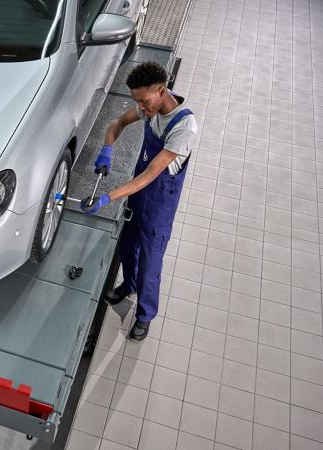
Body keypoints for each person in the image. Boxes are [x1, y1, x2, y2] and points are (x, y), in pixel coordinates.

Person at [80, 61, 198, 341]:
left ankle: (145, 315)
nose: (141, 108)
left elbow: (150, 175)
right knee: (128, 243)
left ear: (160, 90)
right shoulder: (150, 107)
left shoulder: (185, 127)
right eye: (138, 103)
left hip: (159, 201)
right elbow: (118, 122)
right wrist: (107, 148)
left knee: (150, 259)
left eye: (143, 102)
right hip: (137, 193)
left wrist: (106, 197)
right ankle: (128, 286)